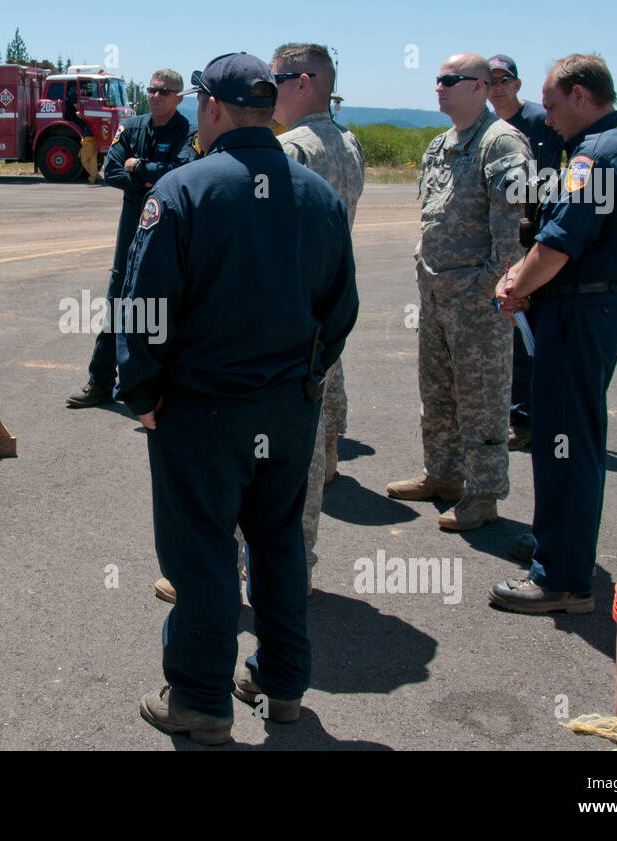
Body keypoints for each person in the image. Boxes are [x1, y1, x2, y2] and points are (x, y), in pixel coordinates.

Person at [121, 53, 358, 744]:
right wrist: (307, 380)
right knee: (279, 543)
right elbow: (340, 310)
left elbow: (145, 309)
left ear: (214, 108)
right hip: (288, 411)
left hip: (202, 411)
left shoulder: (183, 189)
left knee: (201, 550)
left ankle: (198, 697)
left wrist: (141, 392)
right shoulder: (318, 195)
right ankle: (281, 683)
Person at [489, 54, 617, 614]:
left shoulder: (598, 155)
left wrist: (515, 284)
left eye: (556, 104)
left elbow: (560, 242)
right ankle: (554, 547)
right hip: (584, 310)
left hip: (580, 315)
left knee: (567, 446)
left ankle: (562, 581)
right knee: (559, 439)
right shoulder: (614, 147)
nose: (549, 116)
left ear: (581, 96)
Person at [386, 54, 530, 531]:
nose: (440, 88)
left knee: (482, 397)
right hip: (435, 291)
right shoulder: (438, 144)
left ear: (482, 87)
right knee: (438, 391)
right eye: (438, 80)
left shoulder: (502, 142)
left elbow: (511, 235)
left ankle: (484, 494)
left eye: (451, 81)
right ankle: (443, 475)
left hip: (476, 298)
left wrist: (490, 289)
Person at [270, 41, 365, 592]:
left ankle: (278, 568)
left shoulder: (294, 151)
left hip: (290, 310)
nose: (269, 91)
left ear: (304, 82)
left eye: (275, 79)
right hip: (328, 304)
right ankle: (297, 564)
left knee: (280, 451)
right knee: (318, 416)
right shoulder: (348, 143)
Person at [66, 68, 196, 409]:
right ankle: (101, 382)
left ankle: (155, 386)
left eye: (164, 91)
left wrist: (138, 167)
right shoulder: (134, 126)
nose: (156, 96)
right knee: (117, 303)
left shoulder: (188, 131)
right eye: (152, 89)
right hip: (132, 229)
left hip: (168, 230)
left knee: (161, 308)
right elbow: (111, 171)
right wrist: (149, 178)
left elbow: (183, 174)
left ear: (178, 98)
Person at [487, 54, 567, 453]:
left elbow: (558, 171)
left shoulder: (538, 121)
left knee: (523, 330)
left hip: (531, 236)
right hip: (495, 241)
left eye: (505, 80)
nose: (497, 87)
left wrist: (540, 213)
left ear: (517, 85)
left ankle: (526, 416)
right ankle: (508, 409)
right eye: (491, 80)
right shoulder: (486, 127)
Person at [65, 81, 100, 183]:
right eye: (82, 89)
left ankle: (93, 176)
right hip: (73, 119)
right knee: (92, 158)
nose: (84, 91)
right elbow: (76, 107)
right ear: (77, 89)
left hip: (88, 138)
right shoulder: (73, 96)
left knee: (84, 158)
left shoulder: (86, 114)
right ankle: (95, 176)